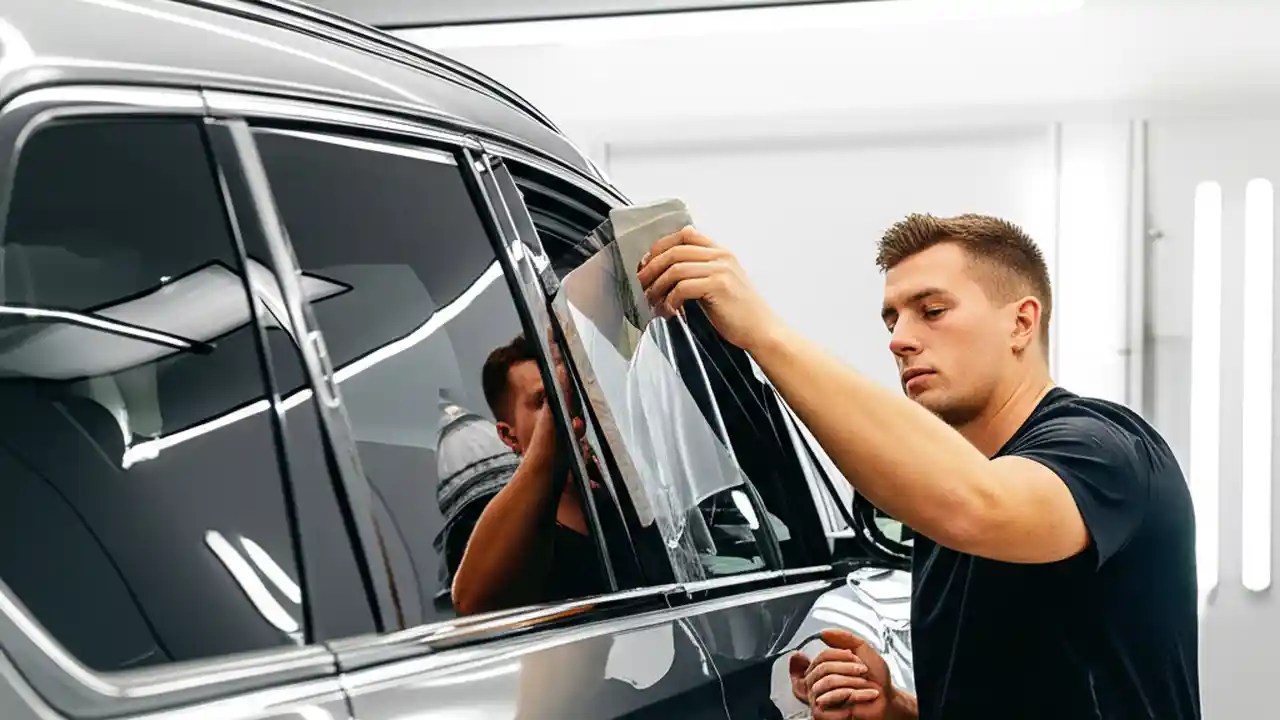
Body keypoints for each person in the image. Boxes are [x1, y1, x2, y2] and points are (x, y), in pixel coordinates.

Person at [637, 214, 1199, 719]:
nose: (900, 341)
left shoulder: (1103, 449)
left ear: (1022, 323)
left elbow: (979, 506)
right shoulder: (945, 494)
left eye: (932, 311)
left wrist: (763, 333)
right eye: (892, 322)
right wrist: (896, 709)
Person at [450, 334, 608, 615]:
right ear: (508, 436)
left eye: (569, 395)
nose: (570, 411)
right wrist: (553, 438)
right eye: (545, 401)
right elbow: (474, 603)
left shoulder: (620, 504)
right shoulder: (496, 534)